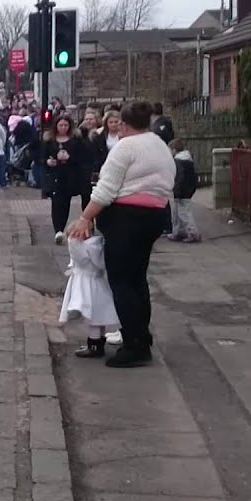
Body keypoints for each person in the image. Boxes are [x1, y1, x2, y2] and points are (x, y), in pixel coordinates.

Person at [66, 102, 176, 368]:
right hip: (155, 215)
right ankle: (141, 334)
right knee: (138, 278)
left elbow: (106, 189)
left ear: (124, 125)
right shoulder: (160, 145)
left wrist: (85, 217)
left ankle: (134, 346)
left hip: (126, 218)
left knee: (122, 281)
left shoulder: (125, 147)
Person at [61, 234, 119, 359]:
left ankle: (94, 346)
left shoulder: (80, 247)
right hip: (99, 282)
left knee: (92, 318)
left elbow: (75, 252)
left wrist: (72, 239)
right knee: (100, 316)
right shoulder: (98, 244)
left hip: (85, 283)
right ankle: (99, 343)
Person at [42, 114, 92, 244]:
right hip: (56, 176)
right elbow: (41, 156)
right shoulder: (50, 141)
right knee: (58, 203)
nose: (63, 128)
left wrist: (70, 158)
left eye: (66, 125)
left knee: (73, 201)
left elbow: (84, 158)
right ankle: (58, 230)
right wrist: (48, 162)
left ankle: (88, 227)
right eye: (60, 125)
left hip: (73, 175)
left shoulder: (76, 141)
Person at [168, 138, 200, 242]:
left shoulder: (178, 161)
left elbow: (179, 178)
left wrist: (177, 190)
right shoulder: (187, 160)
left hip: (182, 192)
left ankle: (193, 233)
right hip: (186, 190)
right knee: (177, 212)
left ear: (174, 149)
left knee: (183, 213)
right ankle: (178, 232)